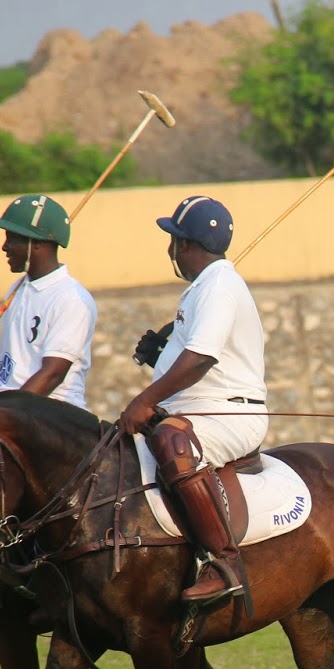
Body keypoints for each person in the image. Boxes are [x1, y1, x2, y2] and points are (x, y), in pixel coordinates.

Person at [118, 196, 267, 606]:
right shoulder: (204, 287)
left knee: (172, 444)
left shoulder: (219, 286)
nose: (170, 249)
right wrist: (158, 358)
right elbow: (189, 355)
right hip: (194, 410)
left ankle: (225, 565)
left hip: (230, 413)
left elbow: (201, 359)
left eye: (172, 239)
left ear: (183, 245)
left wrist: (144, 400)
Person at [0, 194, 97, 407]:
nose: (4, 247)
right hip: (11, 407)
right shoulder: (18, 288)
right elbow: (17, 375)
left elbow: (52, 375)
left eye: (12, 239)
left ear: (36, 243)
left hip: (51, 416)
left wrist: (4, 414)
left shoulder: (71, 299)